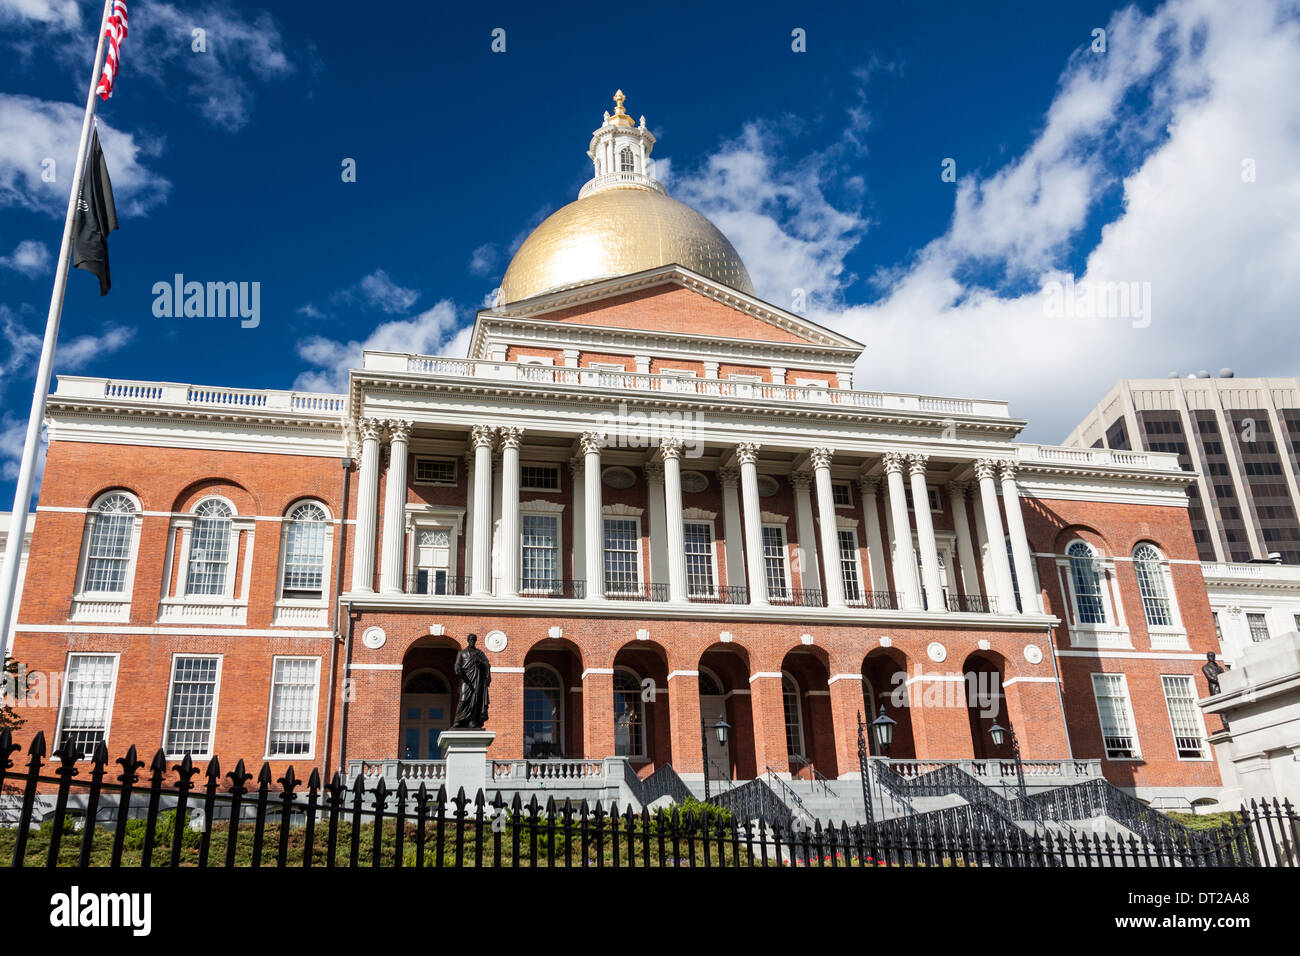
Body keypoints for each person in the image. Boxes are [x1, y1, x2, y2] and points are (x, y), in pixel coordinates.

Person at [452, 633, 491, 728]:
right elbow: (457, 664)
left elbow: (487, 664)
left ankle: (473, 720)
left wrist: (480, 662)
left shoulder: (480, 653)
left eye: (474, 639)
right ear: (468, 640)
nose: (472, 641)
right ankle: (458, 720)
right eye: (471, 639)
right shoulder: (462, 653)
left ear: (475, 641)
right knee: (464, 699)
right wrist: (458, 669)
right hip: (466, 679)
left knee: (476, 700)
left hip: (477, 679)